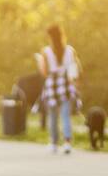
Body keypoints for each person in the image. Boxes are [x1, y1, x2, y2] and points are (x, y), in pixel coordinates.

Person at [35, 24, 82, 154]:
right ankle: (67, 143)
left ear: (50, 37)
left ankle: (54, 143)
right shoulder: (70, 50)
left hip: (52, 84)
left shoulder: (46, 51)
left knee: (53, 116)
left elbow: (44, 72)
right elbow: (74, 69)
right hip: (66, 83)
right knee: (65, 115)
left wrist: (40, 62)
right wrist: (75, 84)